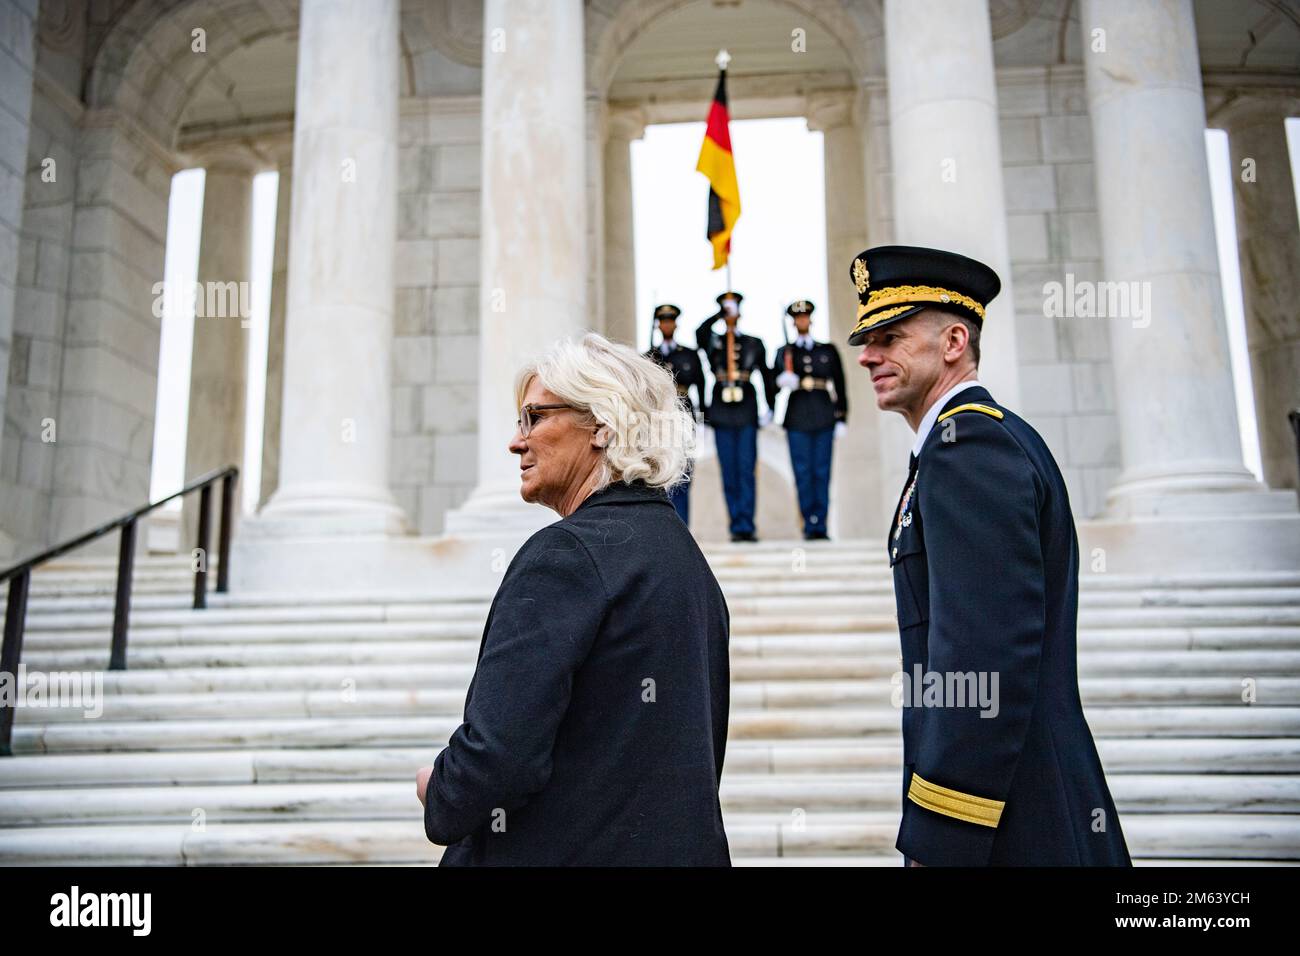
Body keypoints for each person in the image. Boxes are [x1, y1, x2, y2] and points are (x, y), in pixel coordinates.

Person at [846, 244, 1131, 867]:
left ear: (953, 341)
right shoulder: (967, 443)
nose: (868, 356)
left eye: (890, 337)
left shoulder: (967, 447)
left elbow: (982, 660)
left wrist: (943, 833)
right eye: (867, 340)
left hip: (1012, 821)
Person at [416, 333, 731, 866]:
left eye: (534, 418)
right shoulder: (689, 563)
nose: (517, 442)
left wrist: (441, 792)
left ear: (603, 426)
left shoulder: (564, 556)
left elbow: (500, 755)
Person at [695, 290, 776, 542]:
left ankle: (747, 524)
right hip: (721, 410)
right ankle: (735, 524)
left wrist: (770, 407)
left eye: (733, 308)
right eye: (726, 308)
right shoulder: (714, 341)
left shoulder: (753, 342)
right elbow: (700, 334)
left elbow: (766, 375)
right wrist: (719, 316)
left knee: (746, 470)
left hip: (746, 410)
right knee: (729, 471)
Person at [771, 300, 847, 540]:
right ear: (794, 322)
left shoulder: (827, 350)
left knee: (821, 473)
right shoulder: (785, 352)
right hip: (797, 418)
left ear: (810, 320)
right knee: (802, 473)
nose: (802, 321)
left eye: (805, 317)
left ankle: (821, 525)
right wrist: (780, 380)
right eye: (798, 318)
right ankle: (808, 523)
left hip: (824, 416)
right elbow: (771, 383)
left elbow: (840, 385)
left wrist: (842, 416)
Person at [645, 303, 706, 525]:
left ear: (675, 324)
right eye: (663, 321)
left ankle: (682, 526)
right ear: (659, 325)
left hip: (684, 415)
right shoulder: (649, 356)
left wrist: (701, 419)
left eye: (670, 321)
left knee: (684, 474)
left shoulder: (689, 354)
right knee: (661, 474)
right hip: (658, 418)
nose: (667, 325)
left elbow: (700, 384)